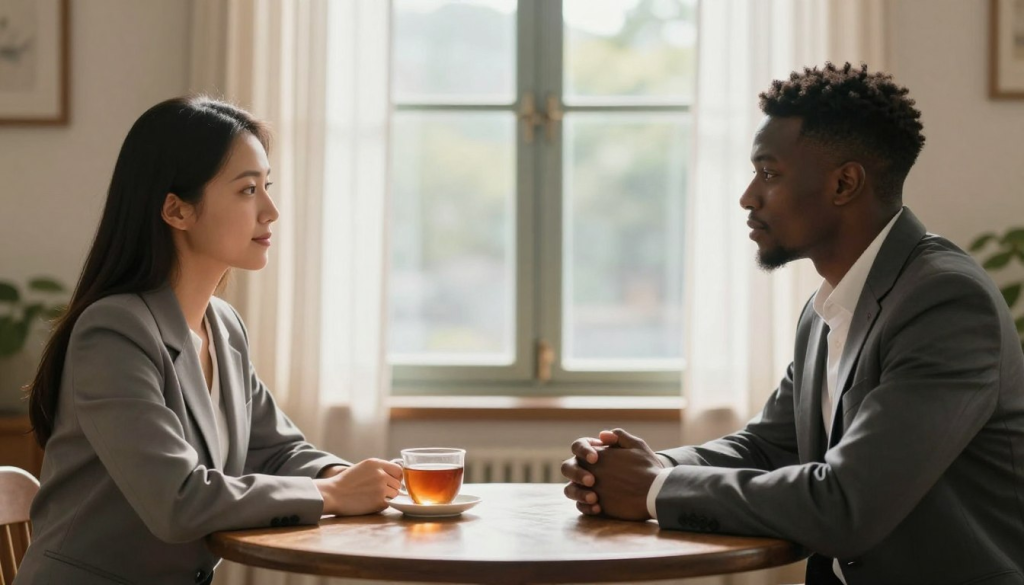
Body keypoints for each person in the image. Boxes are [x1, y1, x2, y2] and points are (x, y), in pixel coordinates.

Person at [561, 63, 1024, 584]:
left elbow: (848, 504)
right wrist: (654, 467)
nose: (748, 196)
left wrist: (651, 491)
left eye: (769, 173)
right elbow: (767, 447)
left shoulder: (944, 302)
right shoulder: (828, 307)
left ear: (844, 183)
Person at [16, 96, 403, 585]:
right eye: (247, 190)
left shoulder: (223, 326)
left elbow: (277, 451)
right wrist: (333, 496)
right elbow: (177, 500)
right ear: (176, 210)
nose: (271, 211)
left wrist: (352, 478)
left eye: (266, 187)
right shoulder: (113, 332)